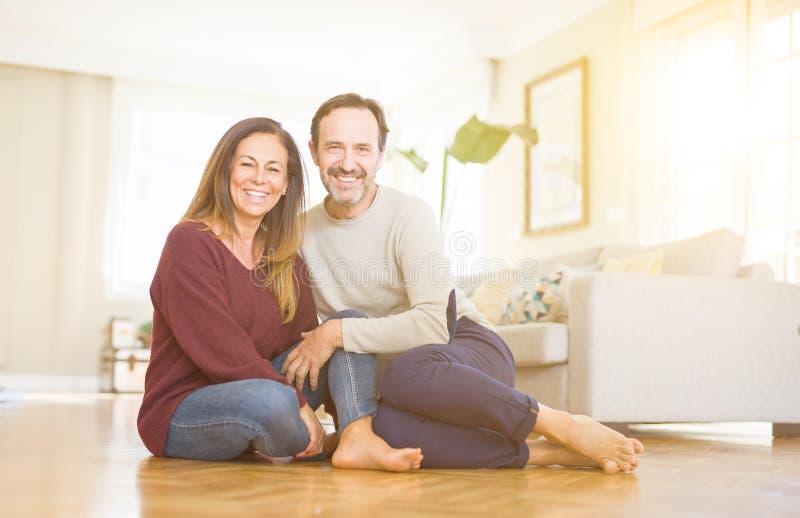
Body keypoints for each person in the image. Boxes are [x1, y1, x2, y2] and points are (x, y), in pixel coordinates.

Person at [282, 94, 645, 472]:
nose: (347, 163)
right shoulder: (299, 233)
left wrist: (337, 332)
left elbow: (433, 326)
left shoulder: (409, 216)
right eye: (334, 147)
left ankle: (558, 424)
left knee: (406, 375)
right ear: (314, 152)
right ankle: (540, 452)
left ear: (379, 156)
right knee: (378, 428)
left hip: (463, 349)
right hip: (398, 390)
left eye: (362, 149)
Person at [137, 117, 422, 471]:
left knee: (345, 328)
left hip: (265, 389)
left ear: (285, 184)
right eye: (247, 165)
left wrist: (343, 408)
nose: (260, 179)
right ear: (224, 171)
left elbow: (305, 347)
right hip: (186, 410)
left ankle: (354, 437)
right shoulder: (189, 242)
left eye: (273, 170)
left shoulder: (284, 255)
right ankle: (309, 442)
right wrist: (296, 403)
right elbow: (221, 350)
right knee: (271, 401)